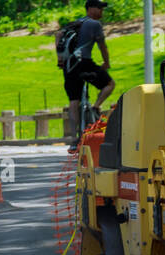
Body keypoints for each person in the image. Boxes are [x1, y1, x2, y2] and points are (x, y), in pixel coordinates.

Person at [64, 0, 114, 146]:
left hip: (69, 65)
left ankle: (74, 138)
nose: (101, 12)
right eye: (99, 8)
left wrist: (61, 59)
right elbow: (102, 46)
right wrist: (106, 63)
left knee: (74, 101)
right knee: (110, 84)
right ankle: (96, 106)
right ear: (90, 9)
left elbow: (58, 35)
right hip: (84, 63)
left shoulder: (75, 23)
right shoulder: (94, 24)